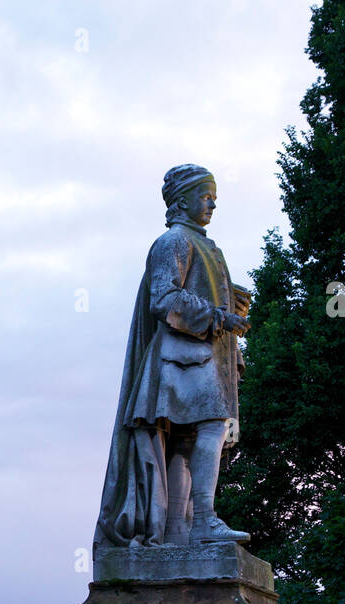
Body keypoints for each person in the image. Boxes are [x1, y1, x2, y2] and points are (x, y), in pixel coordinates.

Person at [95, 163, 251, 549]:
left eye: (214, 195)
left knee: (184, 441)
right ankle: (204, 519)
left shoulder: (203, 245)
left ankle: (181, 528)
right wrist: (218, 315)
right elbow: (163, 299)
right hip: (181, 359)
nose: (212, 203)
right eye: (205, 195)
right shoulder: (174, 241)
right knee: (212, 426)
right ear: (182, 201)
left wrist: (230, 296)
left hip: (196, 357)